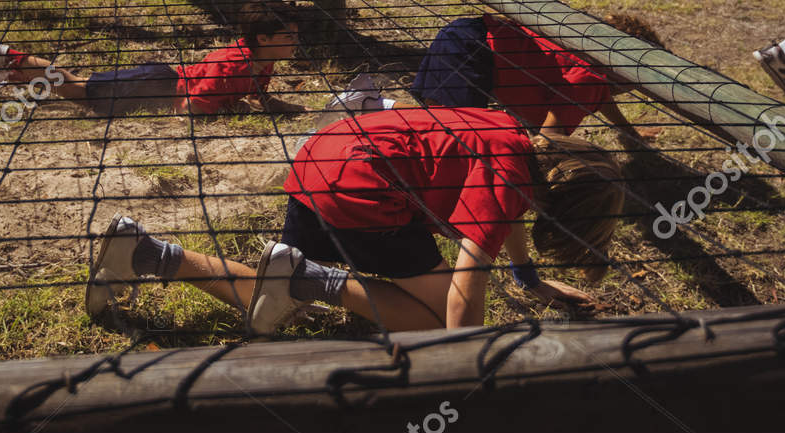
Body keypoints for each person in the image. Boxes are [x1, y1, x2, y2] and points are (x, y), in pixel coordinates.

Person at [85, 107, 624, 336]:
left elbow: (507, 223)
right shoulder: (509, 180)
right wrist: (468, 371)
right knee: (437, 325)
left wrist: (527, 279)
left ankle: (144, 253)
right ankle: (312, 280)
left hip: (324, 156)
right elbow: (463, 295)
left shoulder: (512, 133)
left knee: (270, 287)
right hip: (365, 189)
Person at [0, 0, 306, 116]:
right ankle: (4, 57)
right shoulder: (233, 68)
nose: (295, 41)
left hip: (160, 82)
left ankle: (7, 70)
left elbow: (255, 95)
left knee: (79, 88)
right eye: (288, 36)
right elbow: (194, 108)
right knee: (78, 89)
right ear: (264, 38)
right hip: (155, 86)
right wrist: (233, 109)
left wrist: (284, 107)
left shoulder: (262, 58)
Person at [410, 11, 663, 147]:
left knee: (438, 129)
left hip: (466, 36)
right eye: (636, 82)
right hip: (472, 54)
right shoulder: (591, 79)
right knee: (451, 141)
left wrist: (630, 132)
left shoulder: (589, 60)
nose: (633, 88)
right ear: (622, 69)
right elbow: (546, 139)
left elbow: (602, 98)